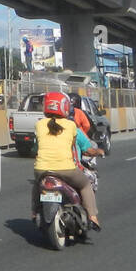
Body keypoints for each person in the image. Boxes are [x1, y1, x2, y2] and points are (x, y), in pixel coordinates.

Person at [32, 91, 101, 230]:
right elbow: (74, 146)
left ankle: (34, 212)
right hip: (66, 169)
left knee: (37, 185)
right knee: (86, 185)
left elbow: (37, 147)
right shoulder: (71, 126)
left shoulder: (39, 124)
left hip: (41, 169)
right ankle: (93, 216)